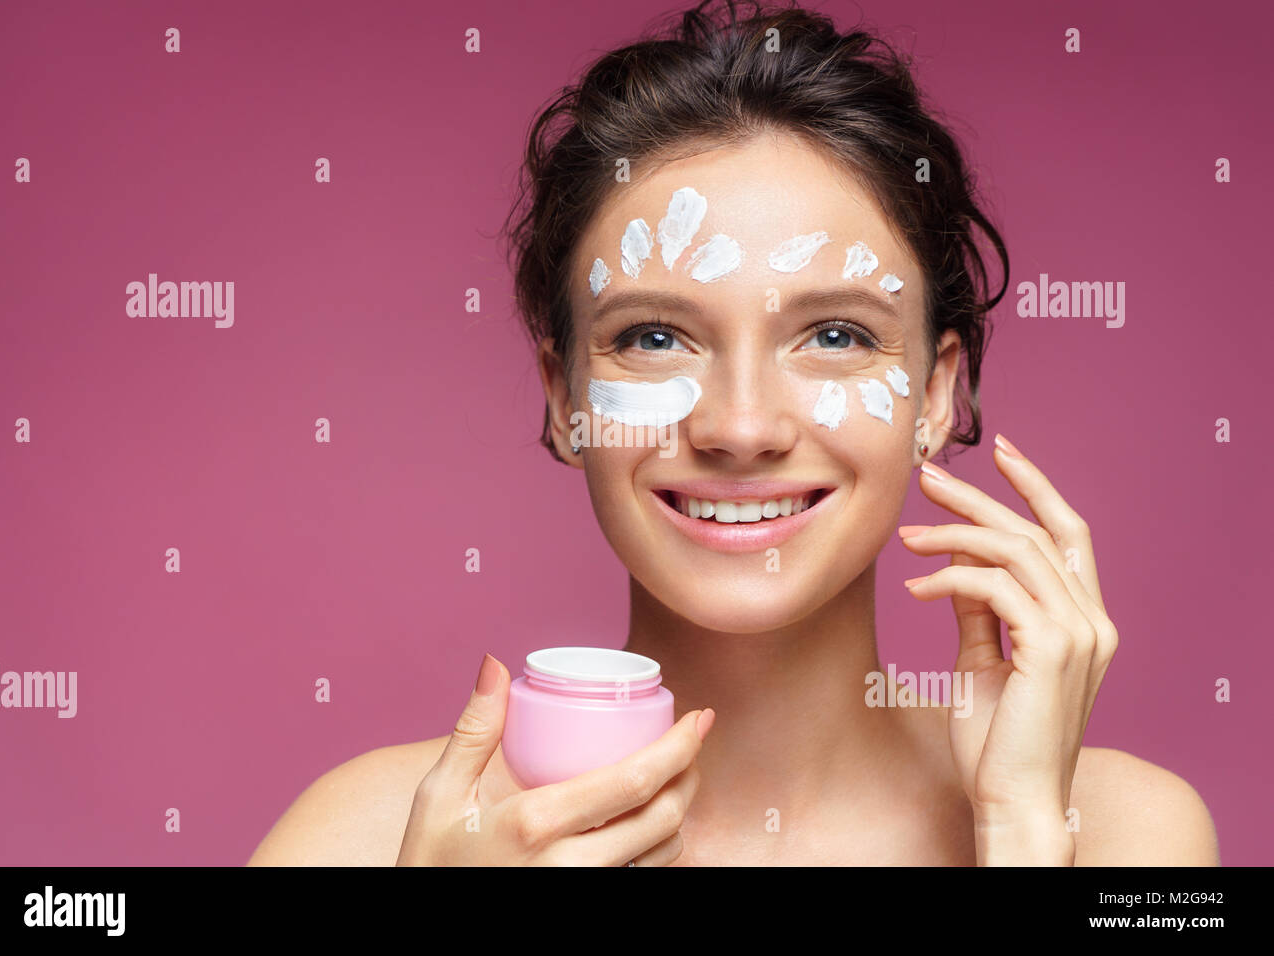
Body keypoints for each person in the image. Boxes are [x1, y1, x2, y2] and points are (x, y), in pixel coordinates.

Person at [248, 0, 1218, 866]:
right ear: (563, 395)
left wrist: (1019, 835)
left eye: (834, 334)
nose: (740, 426)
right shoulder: (367, 840)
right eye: (654, 336)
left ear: (934, 393)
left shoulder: (1128, 835)